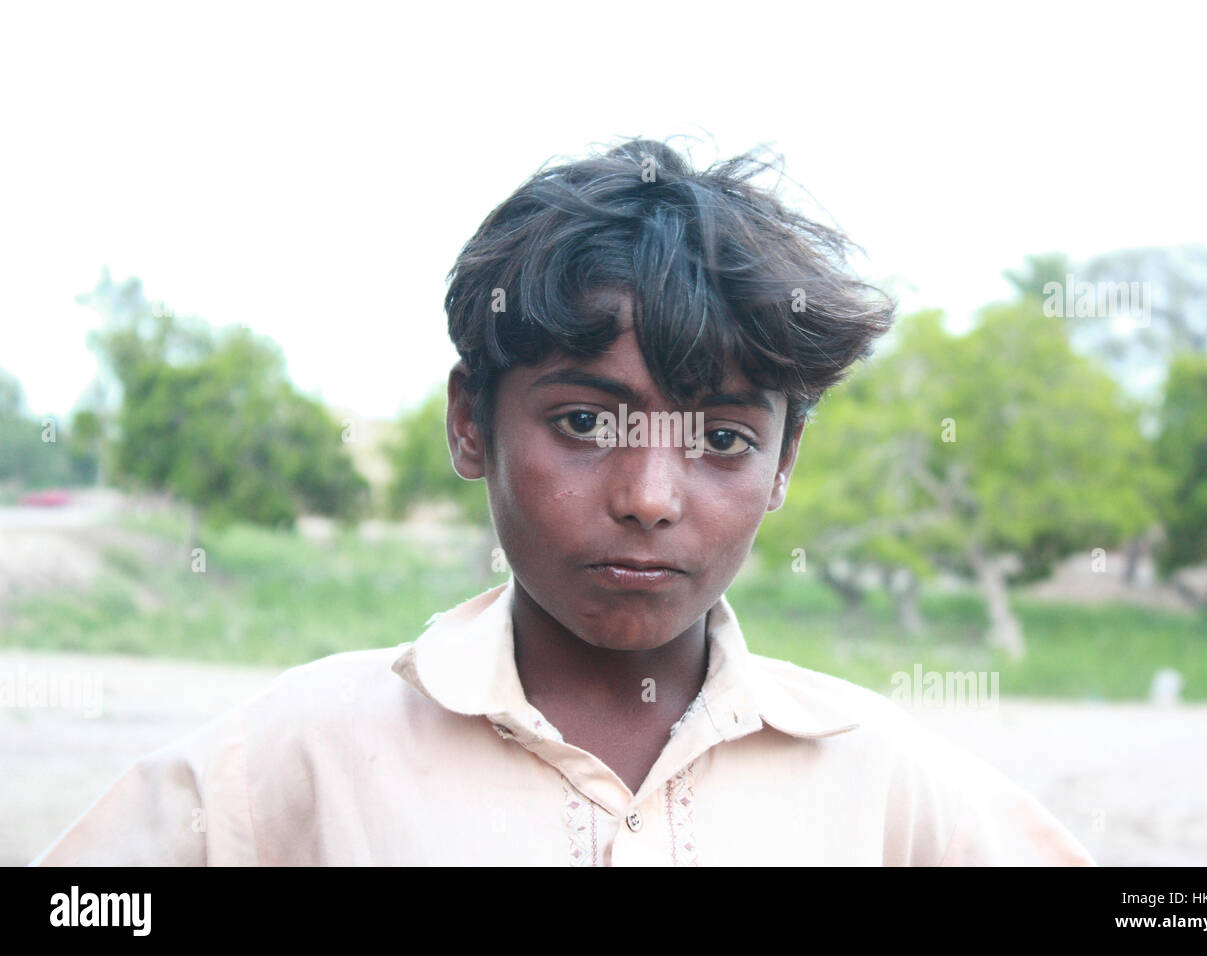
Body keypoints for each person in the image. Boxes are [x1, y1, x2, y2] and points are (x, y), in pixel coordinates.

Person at [32, 138, 1095, 866]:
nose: (647, 495)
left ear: (784, 462)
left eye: (723, 438)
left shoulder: (875, 773)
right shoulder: (301, 752)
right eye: (587, 423)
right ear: (470, 422)